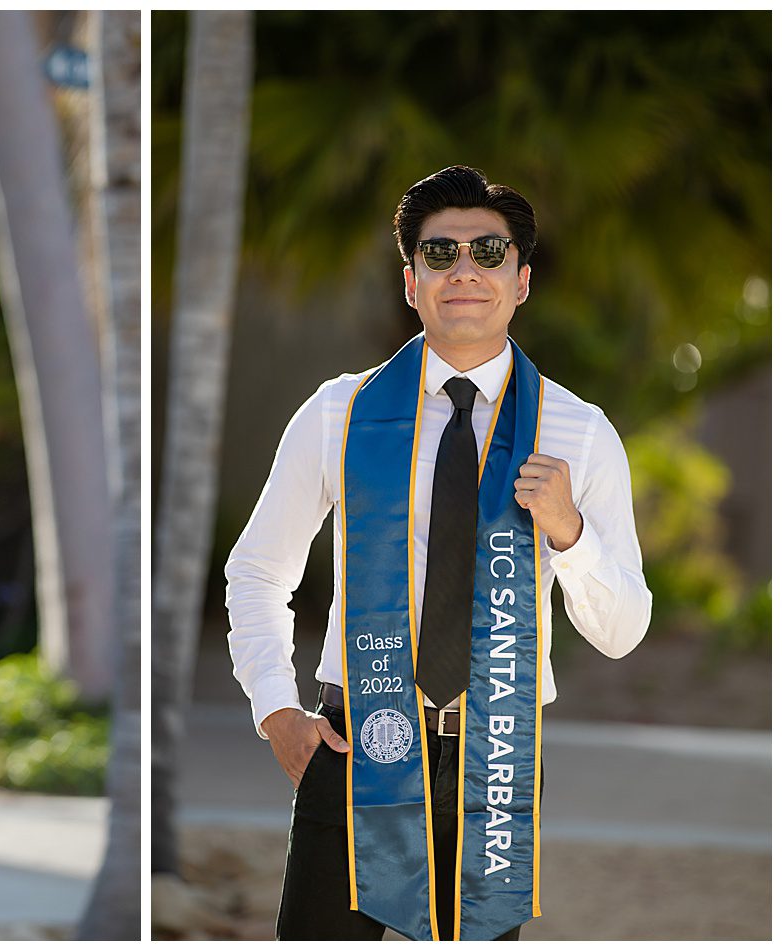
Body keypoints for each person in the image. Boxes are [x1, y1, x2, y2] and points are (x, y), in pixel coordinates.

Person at [224, 165, 650, 941]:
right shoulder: (338, 412)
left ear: (521, 282)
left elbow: (622, 628)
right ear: (411, 280)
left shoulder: (577, 430)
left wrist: (569, 532)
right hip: (355, 744)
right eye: (440, 252)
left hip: (497, 753)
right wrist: (275, 710)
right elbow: (258, 569)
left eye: (489, 252)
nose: (465, 270)